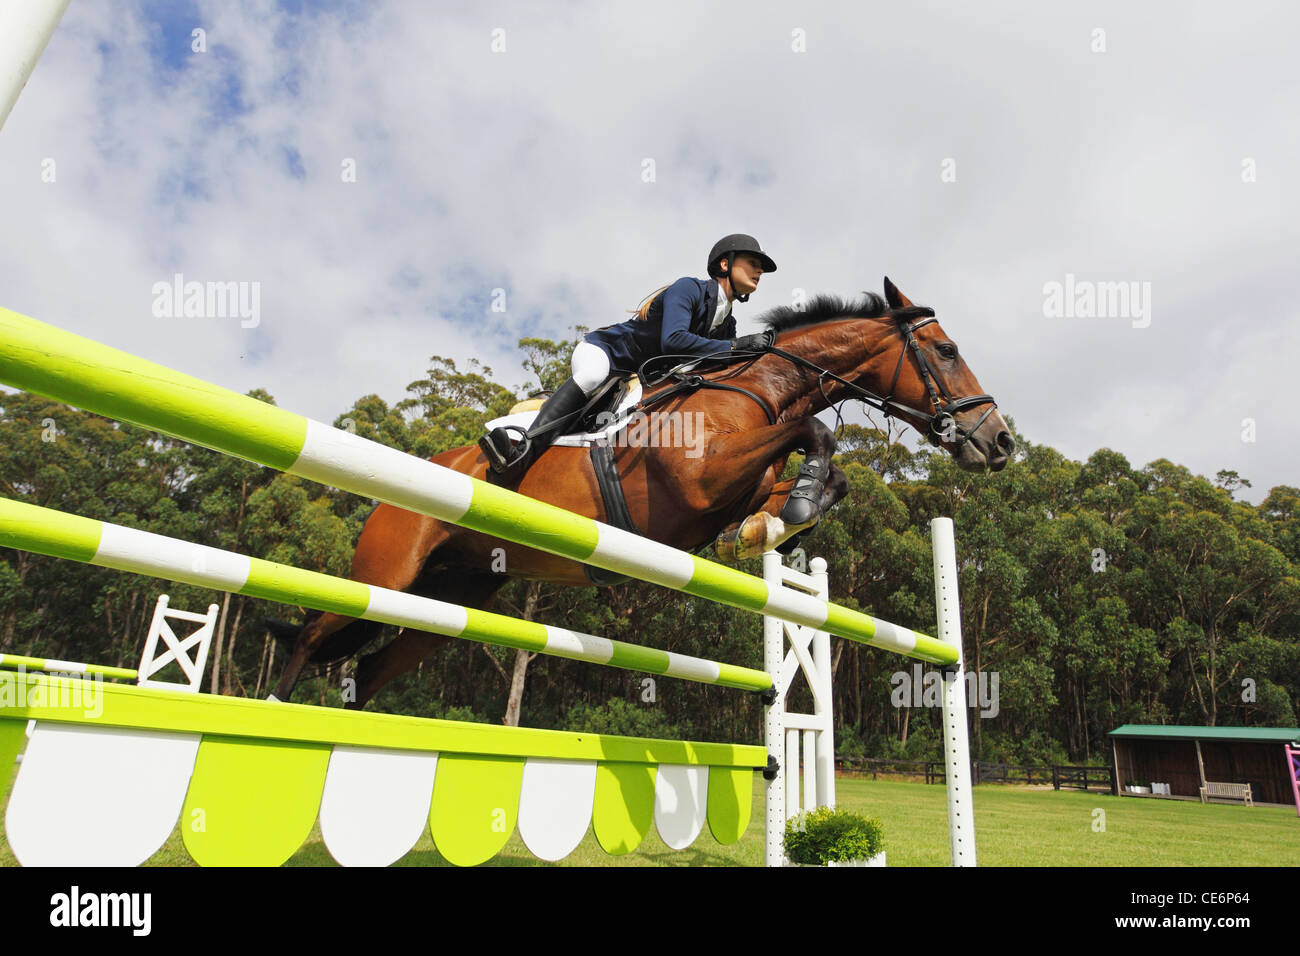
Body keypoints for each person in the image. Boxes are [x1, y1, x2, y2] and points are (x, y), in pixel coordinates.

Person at [479, 233, 779, 478]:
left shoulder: (728, 324)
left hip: (635, 381)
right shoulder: (689, 288)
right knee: (592, 375)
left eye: (760, 267)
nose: (759, 271)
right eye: (753, 262)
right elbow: (673, 341)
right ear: (725, 264)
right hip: (605, 354)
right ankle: (521, 452)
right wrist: (737, 346)